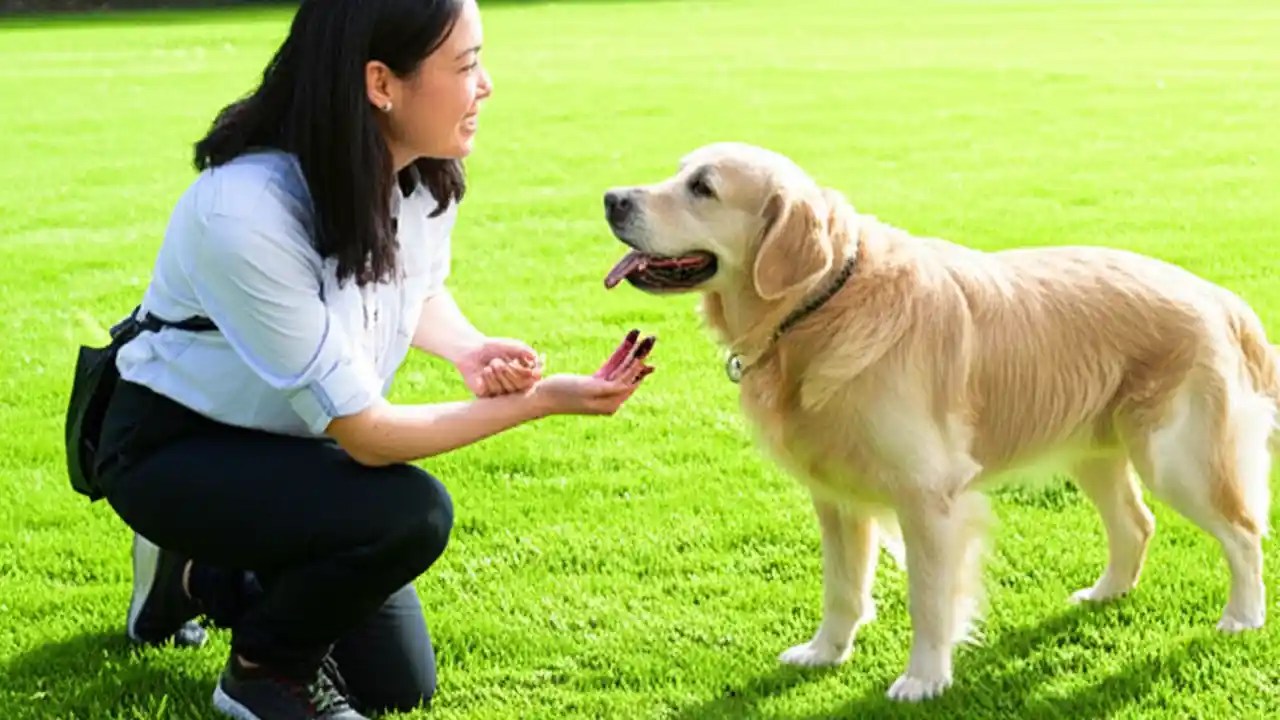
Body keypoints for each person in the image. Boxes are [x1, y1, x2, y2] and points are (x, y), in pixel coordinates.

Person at [95, 1, 657, 718]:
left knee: (399, 686)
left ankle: (201, 576)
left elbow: (413, 288)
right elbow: (367, 436)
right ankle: (263, 672)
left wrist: (470, 349)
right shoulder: (243, 213)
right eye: (467, 65)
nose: (486, 86)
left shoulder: (420, 173)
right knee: (408, 512)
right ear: (381, 84)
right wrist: (542, 401)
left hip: (290, 450)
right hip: (174, 445)